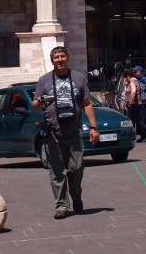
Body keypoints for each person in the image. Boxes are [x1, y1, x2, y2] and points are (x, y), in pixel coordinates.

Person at [33, 46, 100, 219]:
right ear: (52, 61)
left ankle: (76, 196)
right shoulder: (44, 80)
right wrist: (41, 101)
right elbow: (35, 105)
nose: (60, 60)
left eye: (62, 56)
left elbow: (87, 104)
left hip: (74, 131)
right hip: (53, 133)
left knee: (76, 168)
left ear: (67, 58)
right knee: (56, 171)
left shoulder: (78, 78)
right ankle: (61, 205)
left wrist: (94, 128)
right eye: (56, 57)